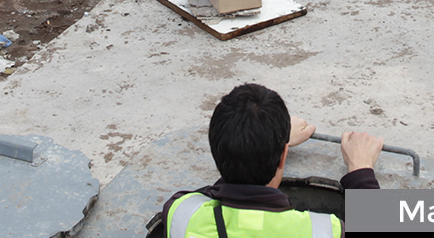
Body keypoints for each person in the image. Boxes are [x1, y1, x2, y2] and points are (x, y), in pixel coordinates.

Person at [158, 83, 382, 237]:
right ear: (283, 155)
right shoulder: (321, 230)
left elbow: (210, 194)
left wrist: (263, 142)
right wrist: (361, 170)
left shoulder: (182, 212)